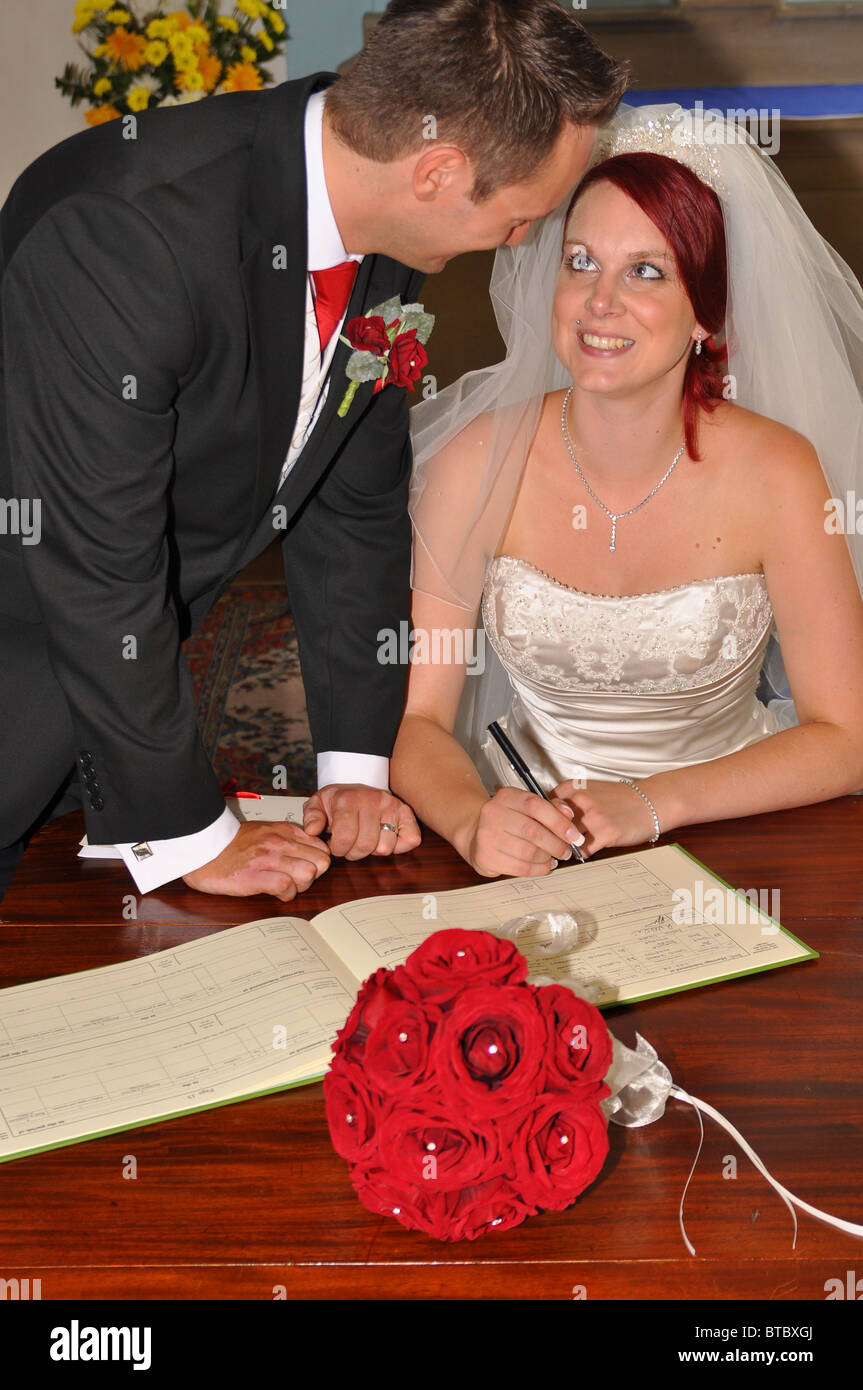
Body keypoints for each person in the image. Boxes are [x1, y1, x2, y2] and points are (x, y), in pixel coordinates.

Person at [0, 0, 626, 901]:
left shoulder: (378, 218)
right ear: (440, 171)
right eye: (523, 215)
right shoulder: (125, 229)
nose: (521, 239)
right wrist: (187, 832)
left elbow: (353, 501)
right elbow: (97, 564)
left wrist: (355, 768)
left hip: (115, 702)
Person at [392, 102, 863, 879]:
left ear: (706, 315)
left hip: (727, 833)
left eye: (645, 271)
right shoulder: (474, 464)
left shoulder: (779, 474)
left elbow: (845, 737)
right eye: (581, 261)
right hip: (529, 846)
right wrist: (474, 820)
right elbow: (419, 722)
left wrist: (650, 802)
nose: (598, 301)